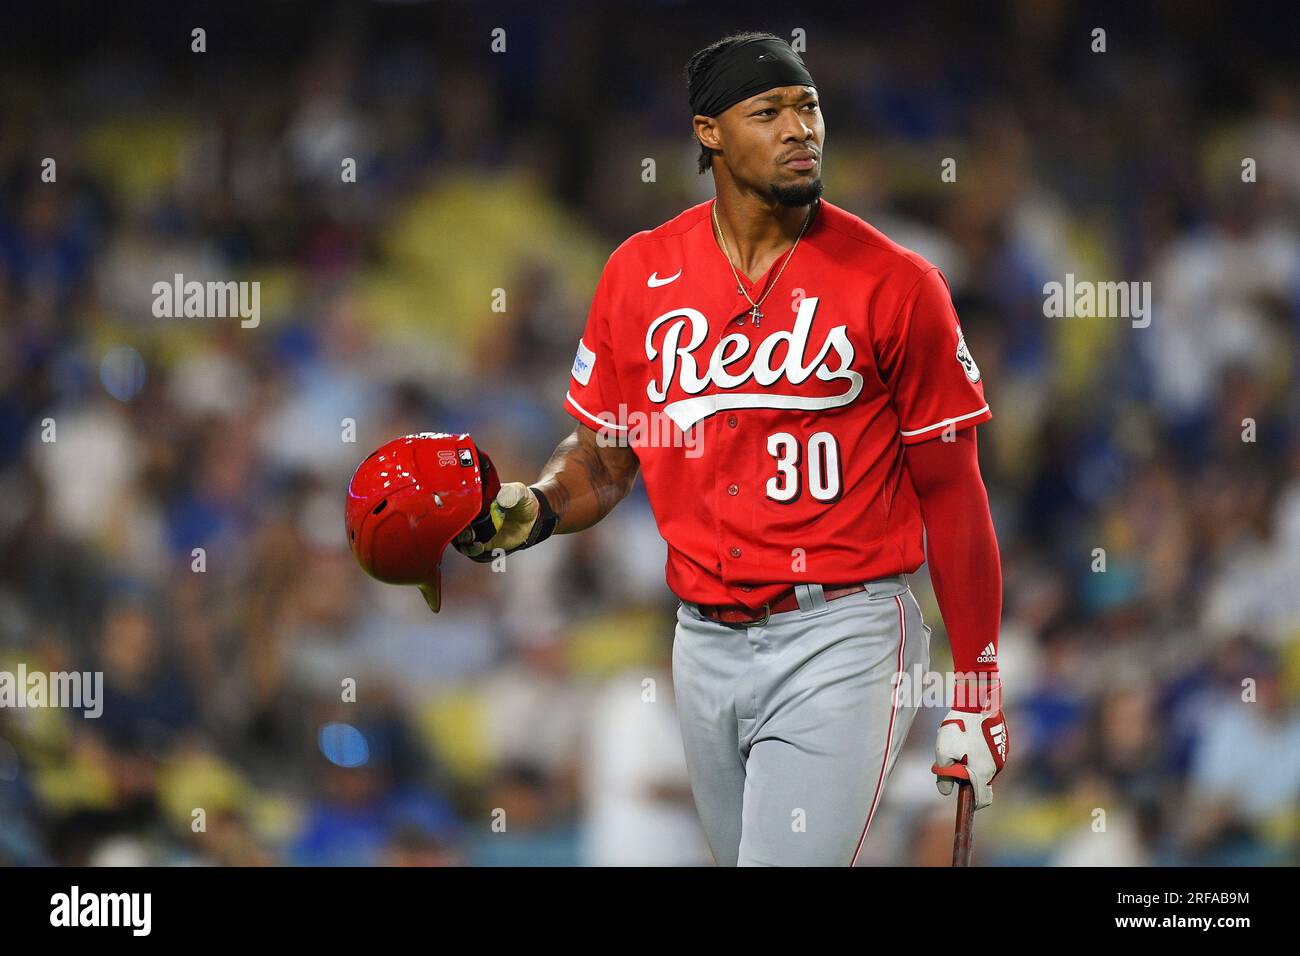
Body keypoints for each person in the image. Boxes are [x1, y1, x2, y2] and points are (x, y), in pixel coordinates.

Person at [457, 31, 1007, 866]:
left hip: (845, 630)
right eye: (769, 111)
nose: (800, 129)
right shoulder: (639, 274)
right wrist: (532, 509)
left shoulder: (897, 282)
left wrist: (977, 684)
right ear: (709, 133)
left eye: (809, 107)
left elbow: (954, 490)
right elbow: (605, 460)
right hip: (702, 643)